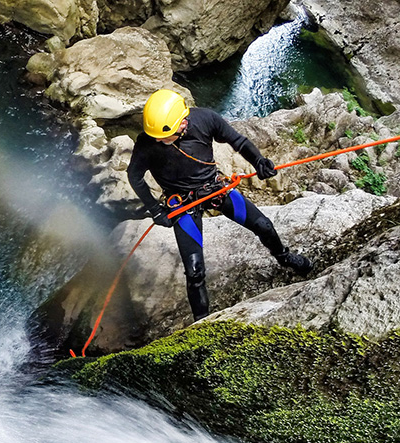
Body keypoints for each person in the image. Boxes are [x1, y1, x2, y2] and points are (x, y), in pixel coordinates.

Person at [127, 88, 313, 322]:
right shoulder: (147, 142)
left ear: (183, 123)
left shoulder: (205, 119)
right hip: (182, 203)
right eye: (156, 136)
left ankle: (284, 257)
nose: (158, 141)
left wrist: (259, 161)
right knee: (195, 272)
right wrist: (155, 210)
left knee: (264, 225)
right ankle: (202, 323)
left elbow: (237, 140)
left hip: (214, 188)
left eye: (164, 136)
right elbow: (134, 176)